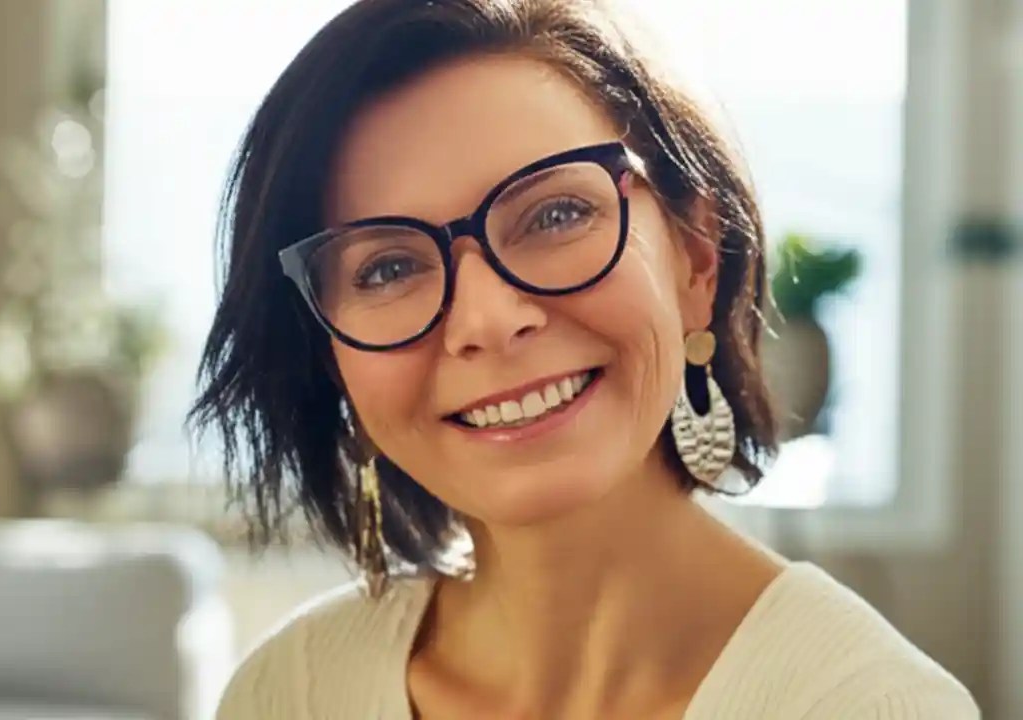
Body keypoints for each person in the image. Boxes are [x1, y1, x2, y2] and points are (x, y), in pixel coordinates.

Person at [190, 0, 979, 717]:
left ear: (696, 261)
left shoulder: (876, 705)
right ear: (331, 358)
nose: (489, 321)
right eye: (387, 268)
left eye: (556, 214)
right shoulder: (286, 693)